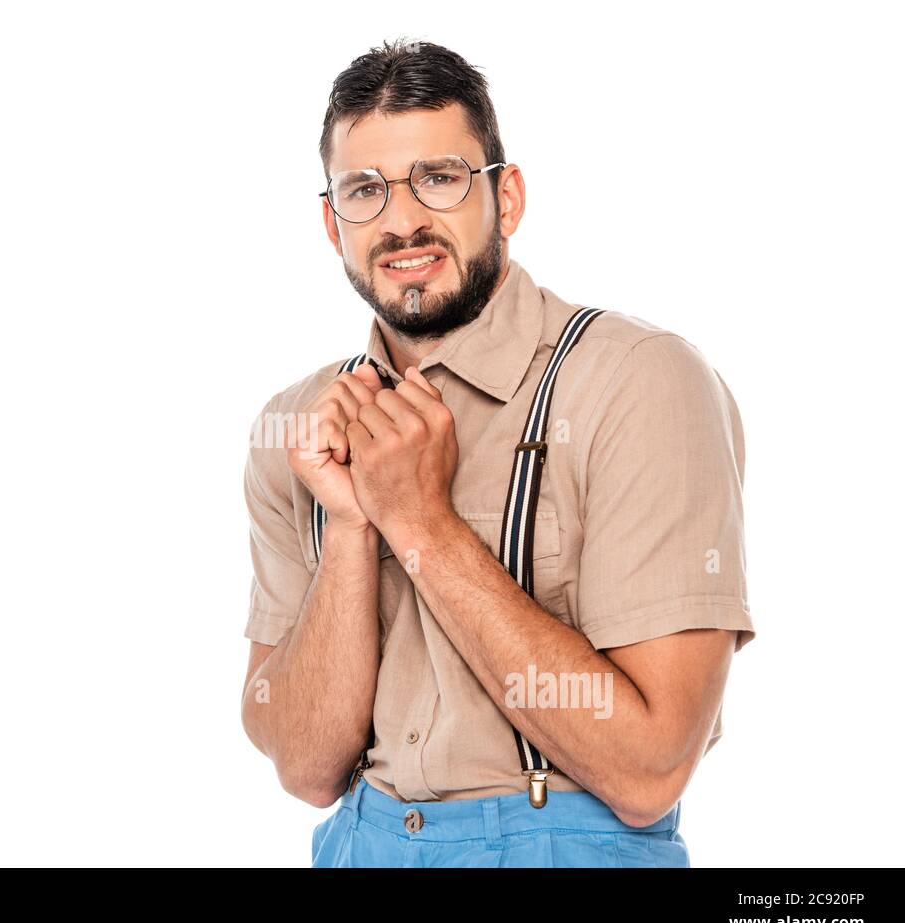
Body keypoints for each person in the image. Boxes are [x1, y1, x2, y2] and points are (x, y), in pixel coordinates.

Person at [239, 39, 755, 867]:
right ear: (333, 223)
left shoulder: (638, 383)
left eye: (439, 178)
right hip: (359, 843)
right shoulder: (296, 427)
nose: (402, 220)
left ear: (506, 197)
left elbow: (650, 766)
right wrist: (348, 527)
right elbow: (305, 767)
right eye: (365, 190)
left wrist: (420, 522)